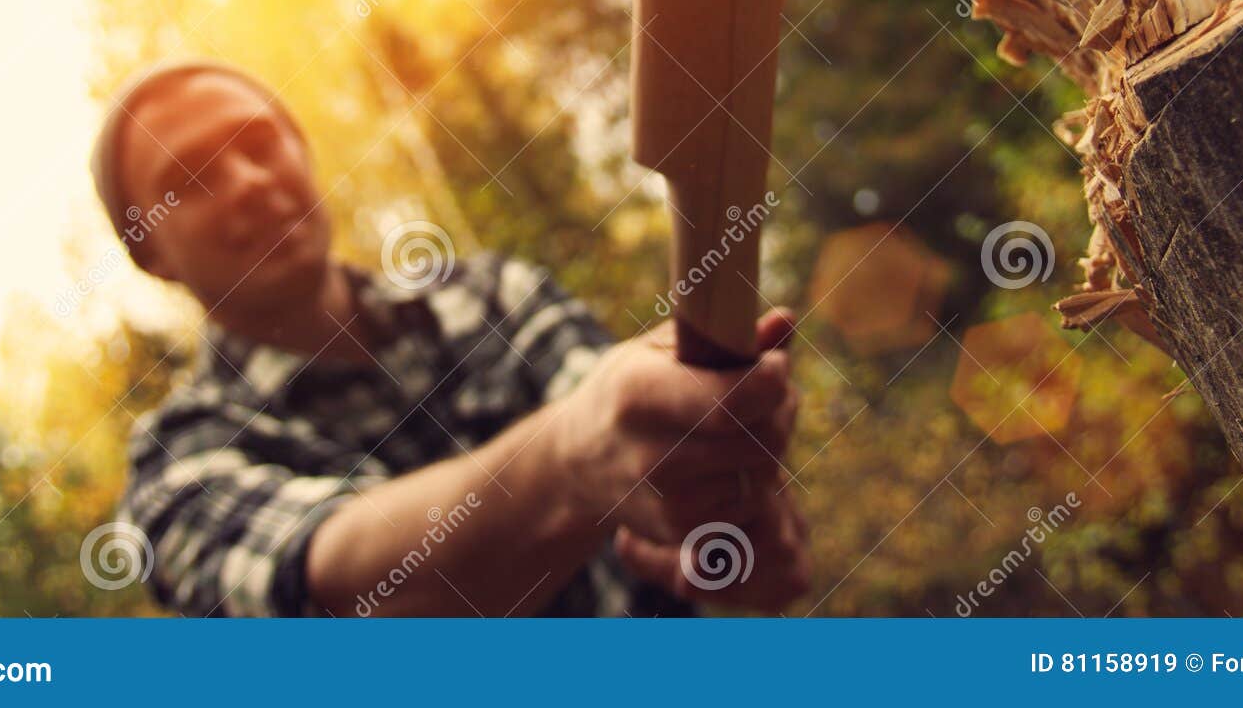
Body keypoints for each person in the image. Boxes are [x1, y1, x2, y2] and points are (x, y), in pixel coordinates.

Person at [90, 60, 809, 616]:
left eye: (258, 142)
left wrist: (719, 492)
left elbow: (648, 452)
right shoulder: (176, 466)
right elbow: (350, 596)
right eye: (189, 177)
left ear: (302, 154)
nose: (247, 181)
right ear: (147, 249)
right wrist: (573, 459)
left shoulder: (496, 296)